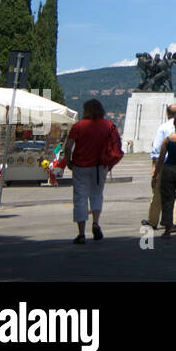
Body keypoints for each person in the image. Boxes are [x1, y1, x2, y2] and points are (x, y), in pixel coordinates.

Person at [60, 100, 116, 244]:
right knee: (97, 195)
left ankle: (81, 233)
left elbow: (68, 146)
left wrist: (68, 161)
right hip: (99, 166)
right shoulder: (108, 125)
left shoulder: (78, 126)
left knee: (80, 198)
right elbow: (115, 146)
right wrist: (110, 163)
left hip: (80, 166)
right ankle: (96, 223)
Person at [144, 104, 176, 231]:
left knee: (161, 194)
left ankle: (153, 221)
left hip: (167, 167)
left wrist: (155, 171)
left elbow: (158, 152)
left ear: (167, 114)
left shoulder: (164, 129)